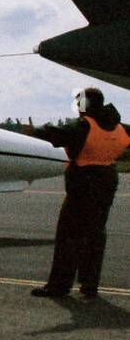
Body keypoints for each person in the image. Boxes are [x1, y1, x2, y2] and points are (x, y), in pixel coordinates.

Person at [26, 87, 130, 299]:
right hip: (107, 180)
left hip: (83, 182)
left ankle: (59, 286)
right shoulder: (119, 127)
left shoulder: (83, 125)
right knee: (95, 234)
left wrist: (34, 130)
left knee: (69, 235)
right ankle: (90, 285)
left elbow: (56, 133)